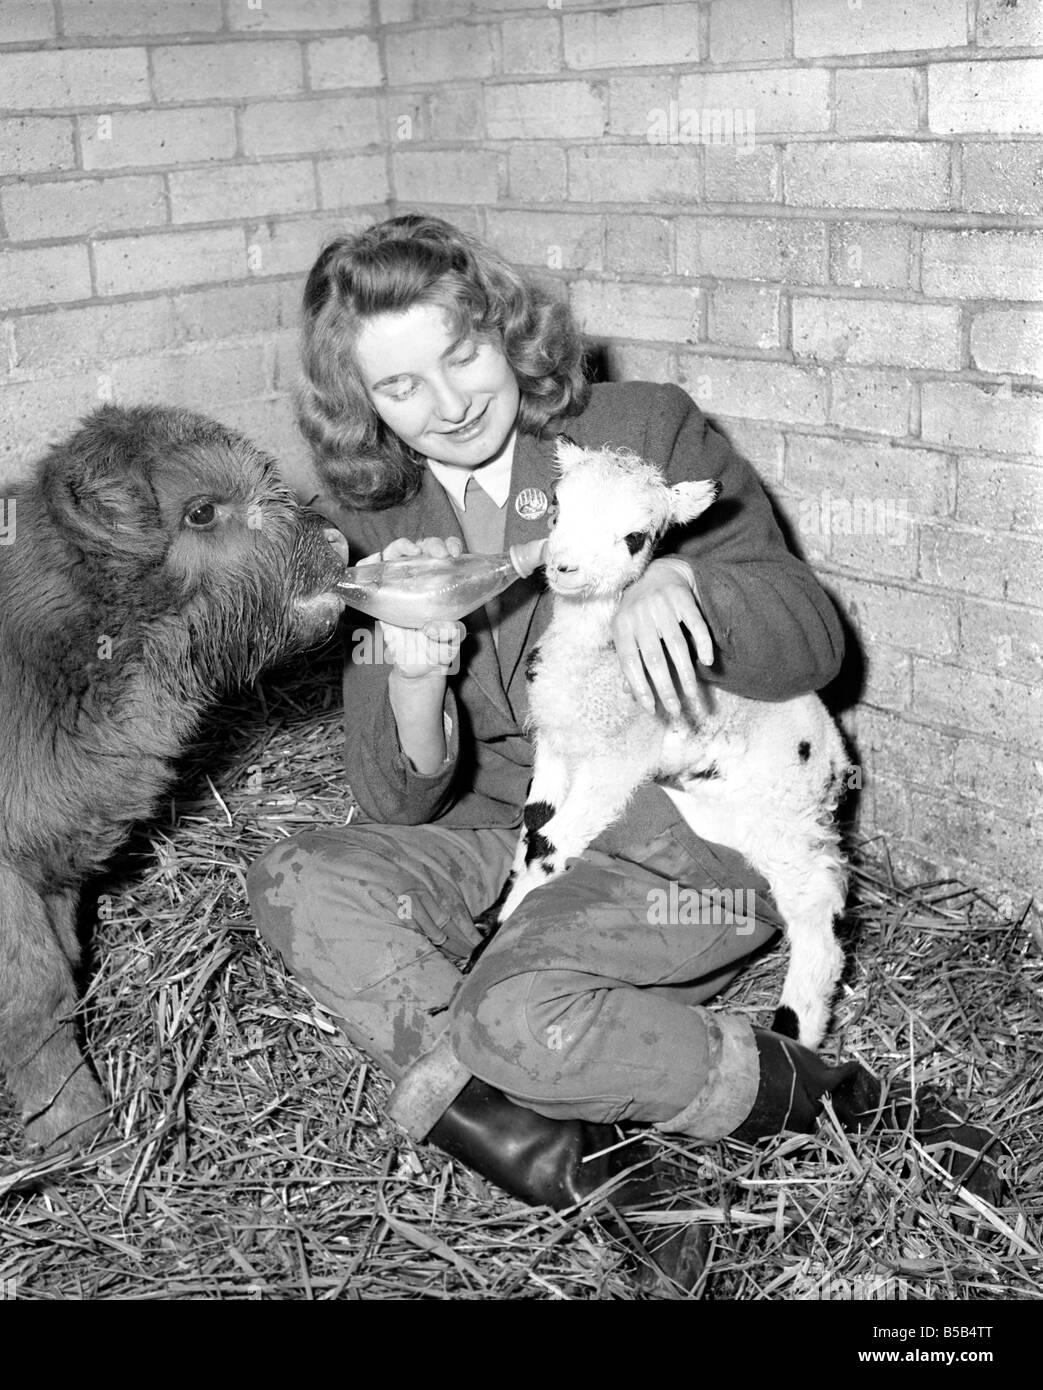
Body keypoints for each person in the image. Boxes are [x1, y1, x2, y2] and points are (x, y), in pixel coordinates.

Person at [247, 213, 1001, 1285]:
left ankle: (844, 1103)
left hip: (688, 828)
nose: (450, 402)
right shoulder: (387, 522)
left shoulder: (641, 429)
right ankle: (607, 1170)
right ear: (363, 405)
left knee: (501, 1012)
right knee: (295, 878)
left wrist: (682, 582)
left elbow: (814, 640)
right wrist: (413, 670)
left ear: (506, 333)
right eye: (401, 387)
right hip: (517, 834)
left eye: (462, 356)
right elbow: (393, 799)